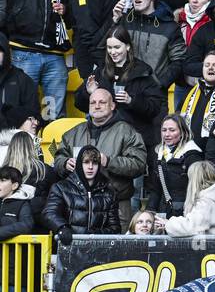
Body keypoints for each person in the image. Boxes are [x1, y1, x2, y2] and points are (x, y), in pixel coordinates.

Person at [53, 88, 148, 227]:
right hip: (78, 208)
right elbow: (58, 158)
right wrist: (64, 163)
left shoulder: (127, 131)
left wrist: (109, 162)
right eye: (93, 103)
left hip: (117, 207)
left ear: (112, 105)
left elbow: (139, 164)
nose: (97, 106)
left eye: (102, 102)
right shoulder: (73, 133)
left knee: (119, 248)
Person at [43, 146, 122, 240]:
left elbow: (115, 228)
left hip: (97, 249)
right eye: (86, 162)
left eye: (95, 163)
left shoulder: (109, 193)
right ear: (79, 164)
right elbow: (49, 213)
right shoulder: (61, 188)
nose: (90, 167)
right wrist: (62, 227)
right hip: (68, 246)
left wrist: (94, 235)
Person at [146, 113, 204, 216]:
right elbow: (155, 190)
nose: (167, 134)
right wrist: (150, 211)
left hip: (187, 212)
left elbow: (199, 189)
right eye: (164, 130)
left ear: (182, 132)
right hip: (163, 211)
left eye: (172, 130)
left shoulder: (192, 155)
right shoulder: (158, 153)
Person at [161, 161, 215, 236]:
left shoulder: (205, 203)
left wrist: (169, 223)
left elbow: (191, 227)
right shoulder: (214, 198)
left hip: (208, 246)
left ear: (194, 180)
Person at [0, 165, 35, 239]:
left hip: (12, 250)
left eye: (2, 180)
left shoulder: (22, 204)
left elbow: (26, 225)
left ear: (14, 185)